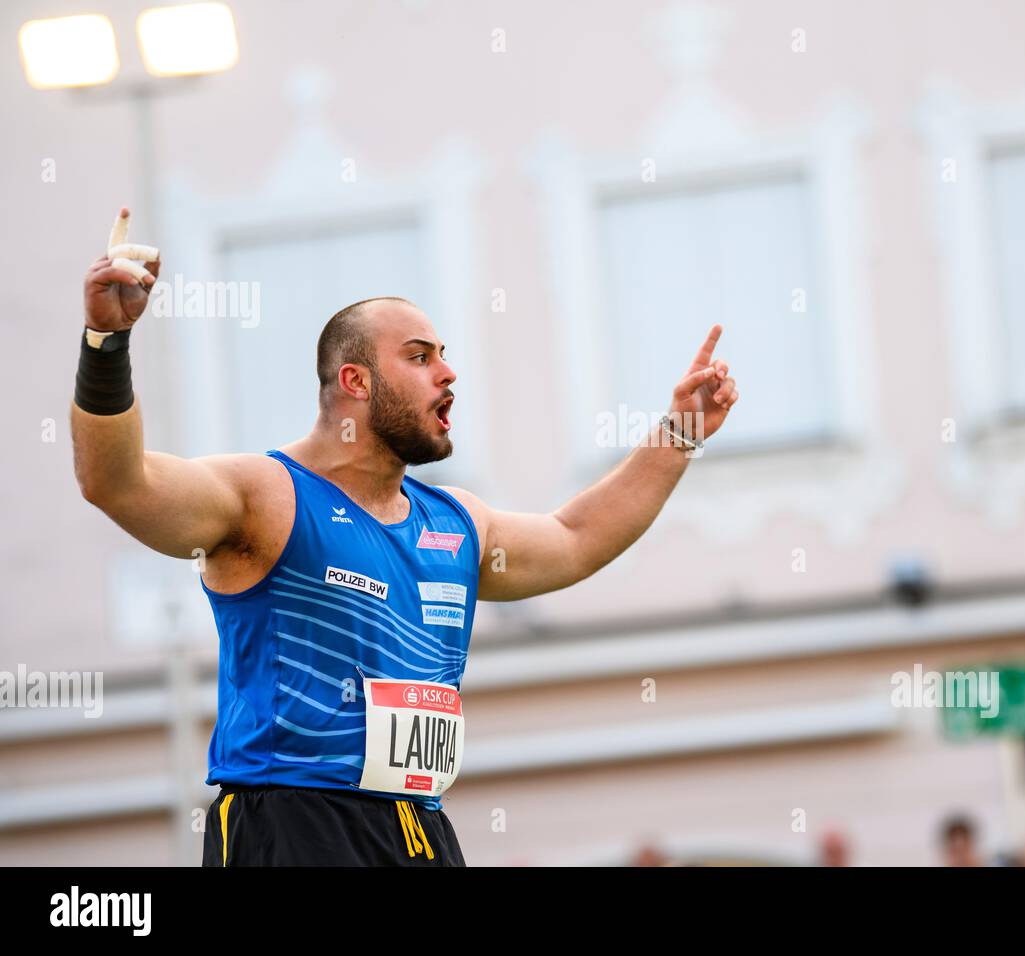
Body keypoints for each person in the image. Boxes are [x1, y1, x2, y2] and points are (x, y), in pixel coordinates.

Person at [71, 208, 740, 866]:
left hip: (418, 826)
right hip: (295, 823)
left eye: (444, 356)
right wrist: (107, 344)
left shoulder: (454, 523)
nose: (448, 373)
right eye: (420, 357)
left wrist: (678, 435)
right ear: (355, 382)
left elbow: (576, 539)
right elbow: (117, 483)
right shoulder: (265, 495)